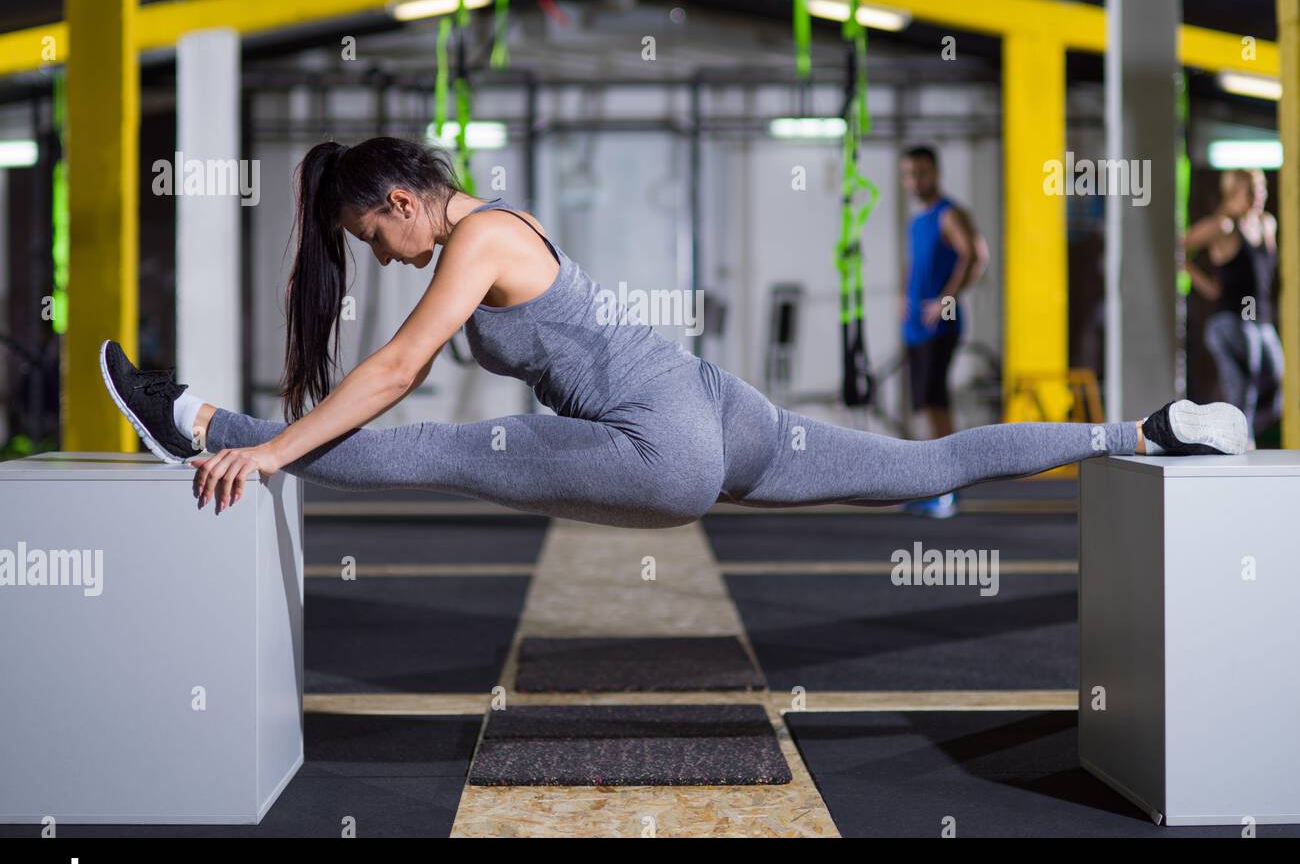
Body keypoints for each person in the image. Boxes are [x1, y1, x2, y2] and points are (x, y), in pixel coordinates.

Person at [100, 136, 1245, 527]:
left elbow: (400, 371)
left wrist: (272, 447)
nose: (383, 258)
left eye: (372, 237)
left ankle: (199, 419)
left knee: (446, 448)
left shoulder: (476, 240)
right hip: (720, 409)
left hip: (671, 445)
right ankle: (1149, 430)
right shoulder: (500, 223)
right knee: (915, 471)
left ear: (402, 204)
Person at [898, 145, 988, 518]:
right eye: (908, 174)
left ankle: (947, 488)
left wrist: (944, 302)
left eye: (921, 172)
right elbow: (917, 265)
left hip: (941, 325)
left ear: (935, 172)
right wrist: (906, 298)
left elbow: (975, 257)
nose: (915, 180)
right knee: (925, 404)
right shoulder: (918, 221)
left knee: (936, 403)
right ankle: (936, 484)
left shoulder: (949, 214)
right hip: (917, 327)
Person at [1184, 168, 1283, 448]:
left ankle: (1231, 433)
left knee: (1274, 379)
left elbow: (1263, 274)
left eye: (1261, 189)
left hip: (1258, 318)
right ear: (1234, 194)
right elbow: (1180, 249)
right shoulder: (1223, 226)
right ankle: (1241, 440)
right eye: (1251, 190)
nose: (1258, 196)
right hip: (1230, 319)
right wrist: (1205, 284)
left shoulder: (1266, 224)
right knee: (1243, 385)